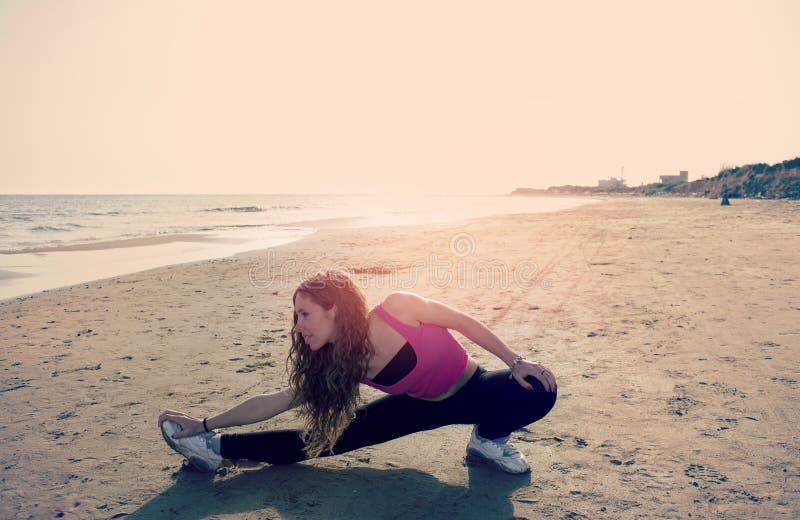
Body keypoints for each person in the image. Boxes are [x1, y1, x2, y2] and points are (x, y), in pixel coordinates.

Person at [158, 270, 557, 474]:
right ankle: (215, 448)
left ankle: (488, 441)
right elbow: (279, 400)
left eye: (304, 314)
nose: (297, 325)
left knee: (537, 388)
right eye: (295, 315)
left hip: (474, 387)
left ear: (334, 309)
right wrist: (206, 423)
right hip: (417, 407)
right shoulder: (338, 362)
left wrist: (515, 360)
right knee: (321, 442)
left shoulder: (399, 308)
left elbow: (462, 321)